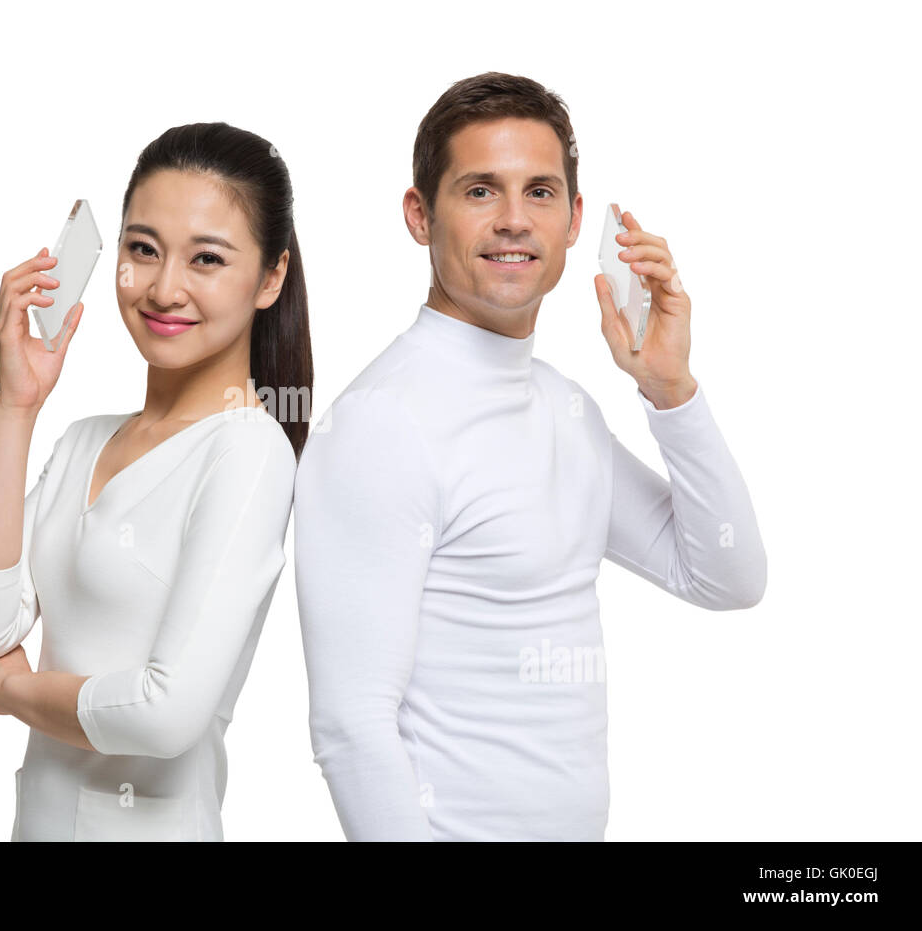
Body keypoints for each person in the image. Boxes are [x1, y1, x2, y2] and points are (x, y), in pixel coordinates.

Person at [294, 72, 767, 841]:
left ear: (576, 219)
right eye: (480, 191)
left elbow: (728, 576)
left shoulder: (564, 410)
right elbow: (350, 727)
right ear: (420, 214)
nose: (514, 220)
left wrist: (671, 390)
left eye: (540, 192)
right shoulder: (381, 425)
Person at [0, 121, 311, 841]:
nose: (164, 289)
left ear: (271, 278)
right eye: (143, 250)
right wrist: (16, 405)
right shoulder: (85, 440)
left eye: (207, 259)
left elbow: (165, 715)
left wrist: (14, 692)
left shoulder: (249, 452)